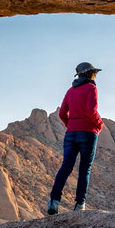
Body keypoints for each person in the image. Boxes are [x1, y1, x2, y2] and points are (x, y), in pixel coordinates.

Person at [48, 62, 103, 214]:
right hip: (88, 132)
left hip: (71, 134)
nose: (95, 75)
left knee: (66, 166)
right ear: (90, 74)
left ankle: (54, 202)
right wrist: (99, 124)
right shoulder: (91, 88)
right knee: (85, 169)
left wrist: (70, 125)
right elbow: (91, 110)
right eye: (94, 73)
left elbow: (62, 113)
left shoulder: (70, 91)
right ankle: (79, 205)